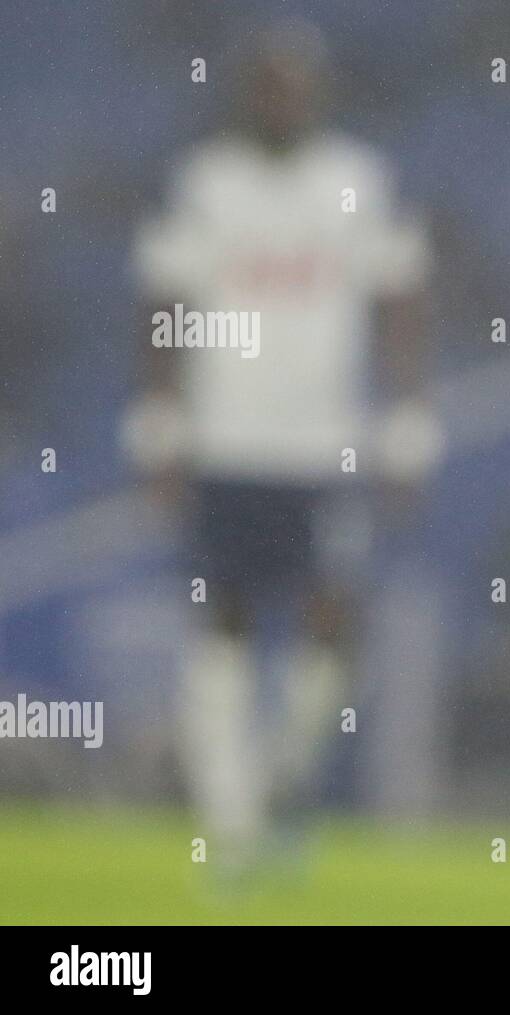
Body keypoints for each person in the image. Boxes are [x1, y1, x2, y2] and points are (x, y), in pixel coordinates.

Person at [126, 22, 433, 878]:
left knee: (335, 619)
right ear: (243, 93)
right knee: (221, 617)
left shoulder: (358, 180)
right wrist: (160, 422)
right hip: (227, 438)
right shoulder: (203, 183)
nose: (279, 100)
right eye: (265, 85)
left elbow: (398, 295)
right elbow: (162, 303)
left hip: (323, 444)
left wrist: (402, 418)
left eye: (292, 85)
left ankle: (276, 784)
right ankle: (230, 826)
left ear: (317, 92)